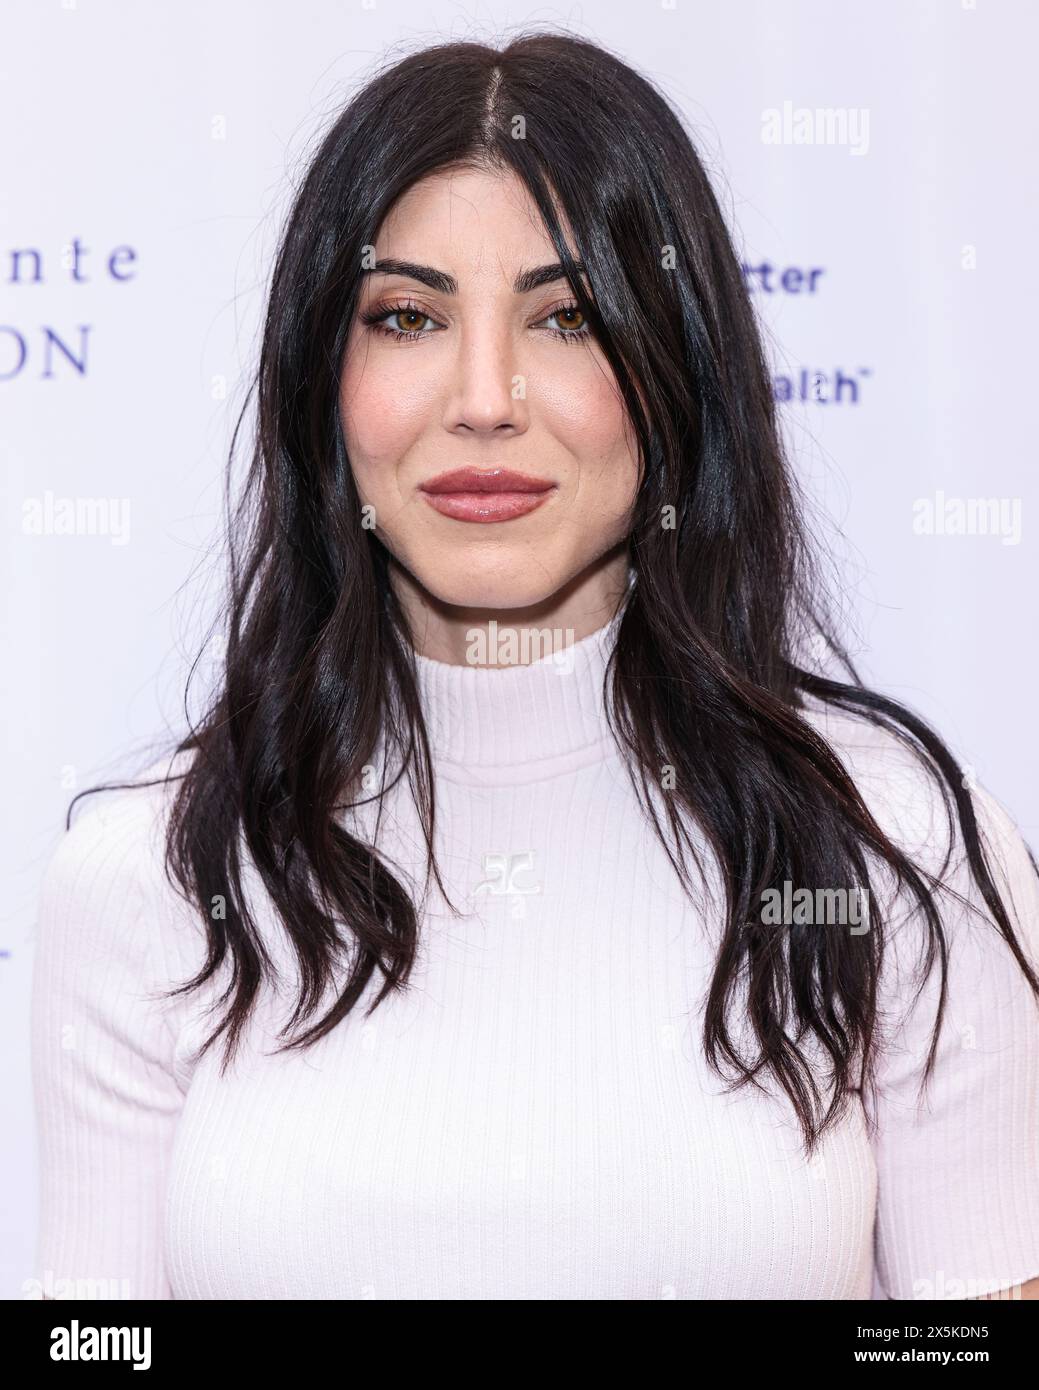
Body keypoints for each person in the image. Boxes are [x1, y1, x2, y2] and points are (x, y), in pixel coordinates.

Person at [30, 30, 1039, 1301]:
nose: (487, 396)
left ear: (678, 375)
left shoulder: (894, 853)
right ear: (321, 385)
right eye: (407, 316)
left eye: (566, 317)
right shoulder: (155, 882)